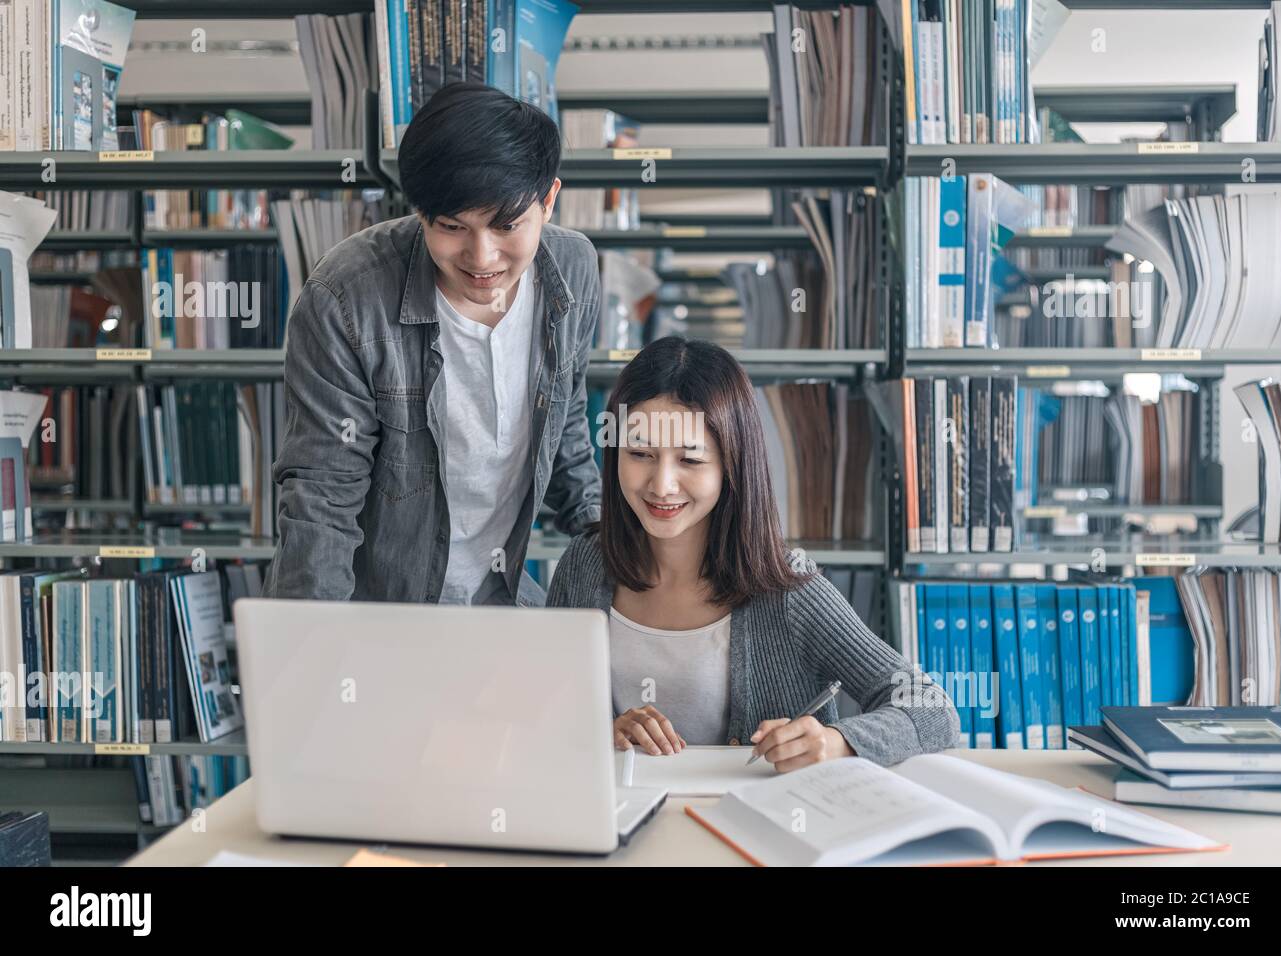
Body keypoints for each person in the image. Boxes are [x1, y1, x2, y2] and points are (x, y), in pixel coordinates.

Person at [546, 337, 960, 771]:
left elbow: (933, 710)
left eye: (689, 460)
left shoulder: (788, 587)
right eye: (640, 454)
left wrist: (837, 741)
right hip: (624, 825)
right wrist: (600, 730)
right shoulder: (584, 565)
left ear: (731, 465)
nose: (661, 484)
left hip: (760, 829)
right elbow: (542, 715)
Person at [263, 82, 601, 606]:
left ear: (549, 199)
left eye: (507, 225)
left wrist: (624, 557)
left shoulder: (573, 271)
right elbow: (322, 498)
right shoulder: (346, 296)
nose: (482, 256)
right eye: (452, 226)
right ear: (419, 211)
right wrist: (312, 656)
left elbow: (569, 432)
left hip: (501, 600)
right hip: (378, 612)